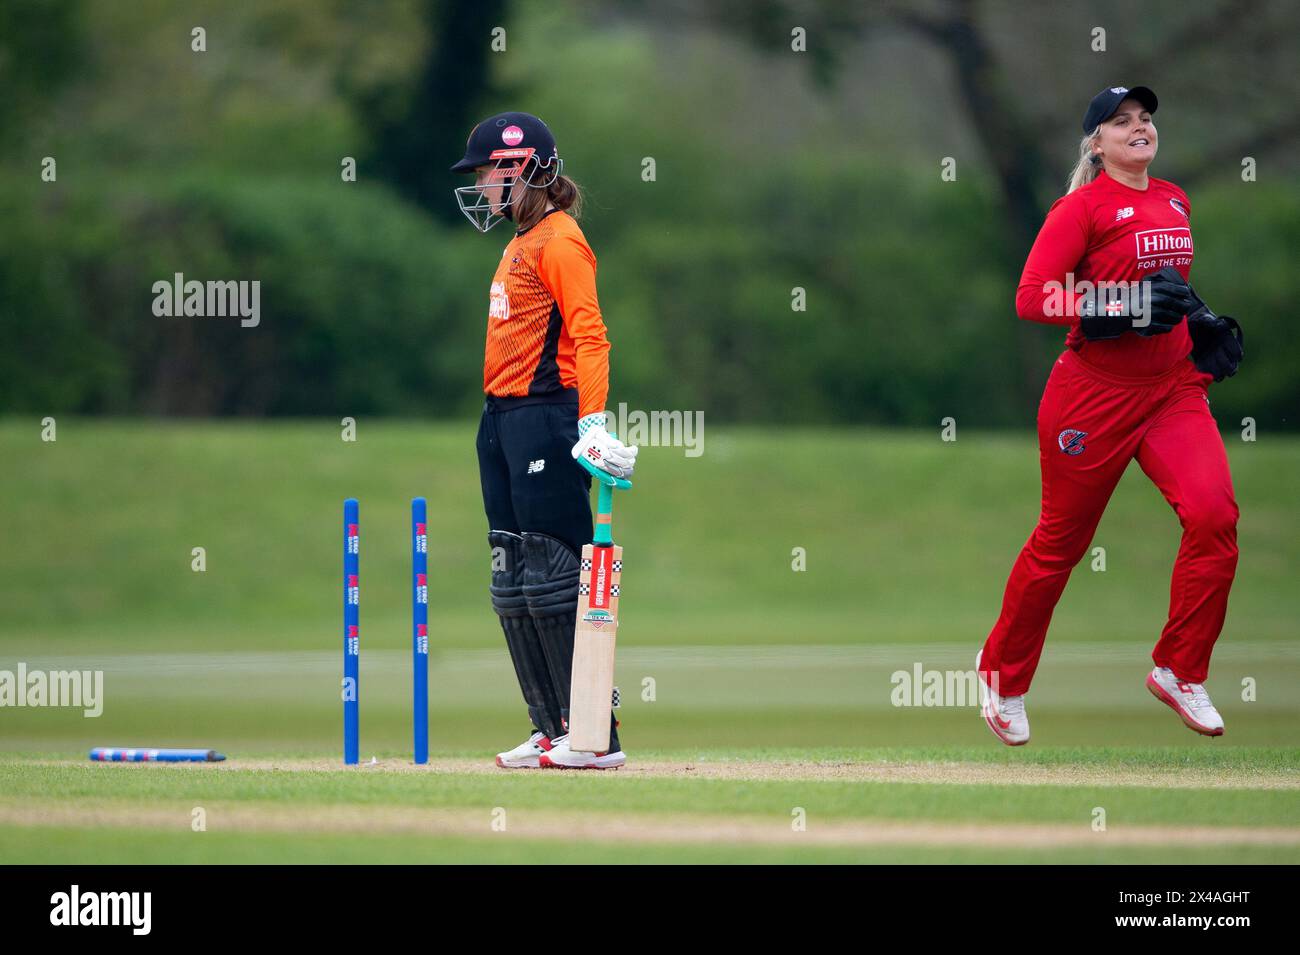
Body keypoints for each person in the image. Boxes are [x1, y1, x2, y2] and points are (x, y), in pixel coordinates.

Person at [977, 86, 1245, 746]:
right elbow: (1032, 296)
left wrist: (1202, 316)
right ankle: (1001, 676)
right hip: (1092, 396)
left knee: (1215, 516)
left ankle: (1179, 670)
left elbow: (1168, 285)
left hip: (1172, 390)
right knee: (1060, 546)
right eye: (1121, 121)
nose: (1139, 128)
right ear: (1095, 144)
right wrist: (1120, 305)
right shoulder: (1081, 208)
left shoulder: (1175, 199)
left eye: (1146, 118)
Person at [451, 111, 637, 769]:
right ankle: (548, 724)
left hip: (547, 415)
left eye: (488, 172)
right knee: (513, 574)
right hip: (500, 420)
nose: (480, 186)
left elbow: (591, 334)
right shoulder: (520, 240)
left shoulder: (561, 240)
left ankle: (591, 732)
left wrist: (592, 420)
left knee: (556, 569)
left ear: (527, 167)